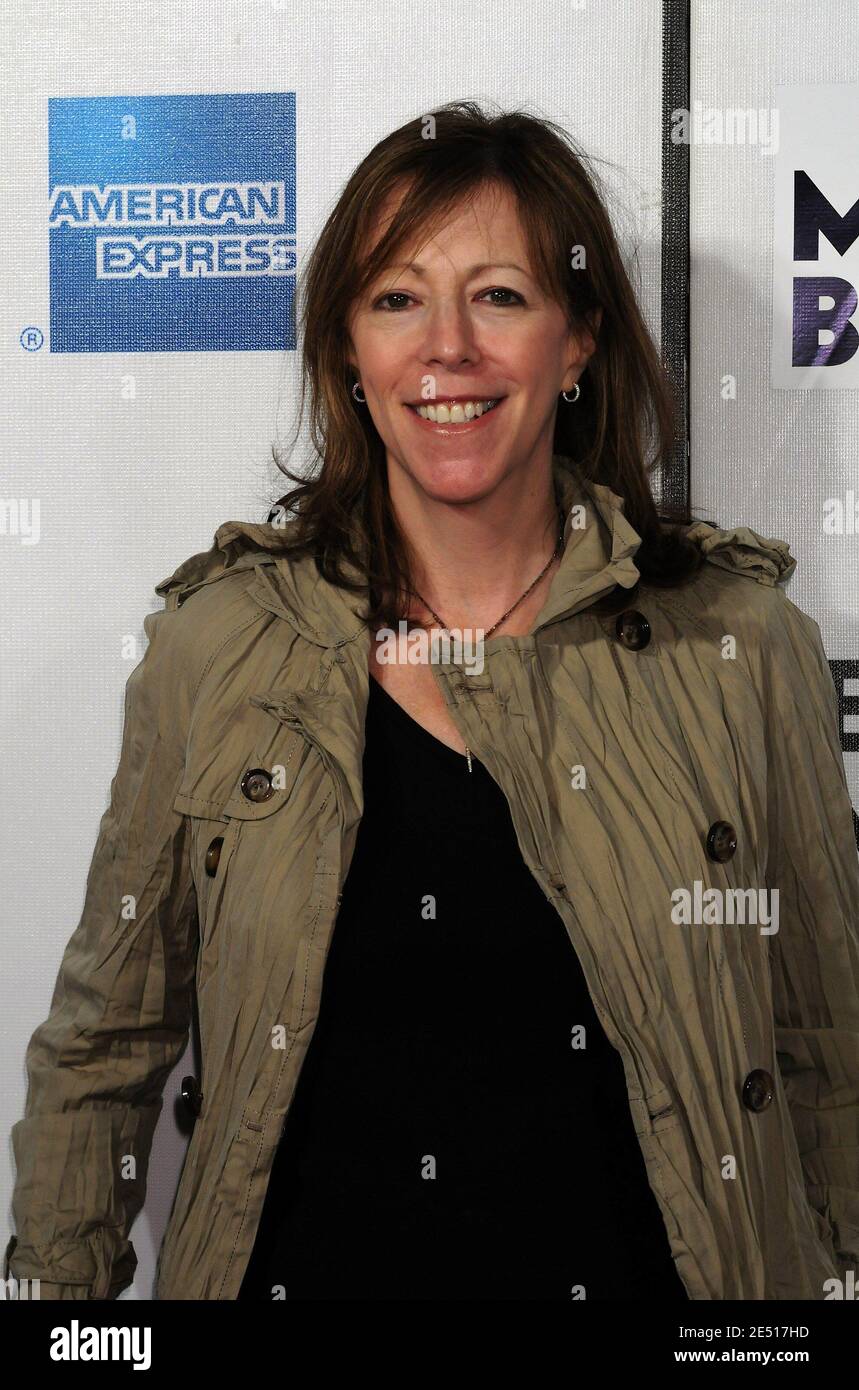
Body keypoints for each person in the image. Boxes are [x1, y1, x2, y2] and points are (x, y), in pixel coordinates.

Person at [6, 102, 859, 1302]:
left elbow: (832, 1038)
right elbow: (103, 1045)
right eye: (397, 298)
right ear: (347, 353)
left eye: (500, 296)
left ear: (578, 344)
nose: (445, 348)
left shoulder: (737, 646)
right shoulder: (219, 648)